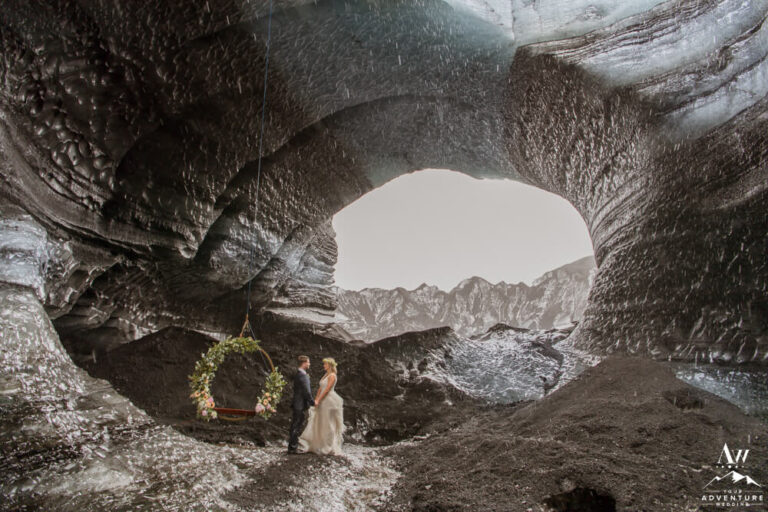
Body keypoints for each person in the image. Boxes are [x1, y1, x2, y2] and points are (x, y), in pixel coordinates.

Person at [298, 357, 344, 455]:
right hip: (323, 400)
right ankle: (319, 445)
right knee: (321, 421)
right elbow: (320, 388)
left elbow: (327, 389)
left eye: (325, 364)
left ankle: (329, 446)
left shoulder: (332, 375)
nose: (324, 366)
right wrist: (316, 399)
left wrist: (319, 399)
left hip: (329, 401)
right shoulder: (325, 375)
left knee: (328, 422)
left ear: (329, 365)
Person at [287, 355, 315, 454]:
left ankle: (292, 446)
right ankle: (292, 447)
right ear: (304, 363)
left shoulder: (298, 374)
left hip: (297, 403)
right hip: (300, 404)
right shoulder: (302, 375)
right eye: (308, 362)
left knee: (296, 424)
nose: (309, 364)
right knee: (296, 425)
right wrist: (312, 402)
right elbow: (306, 391)